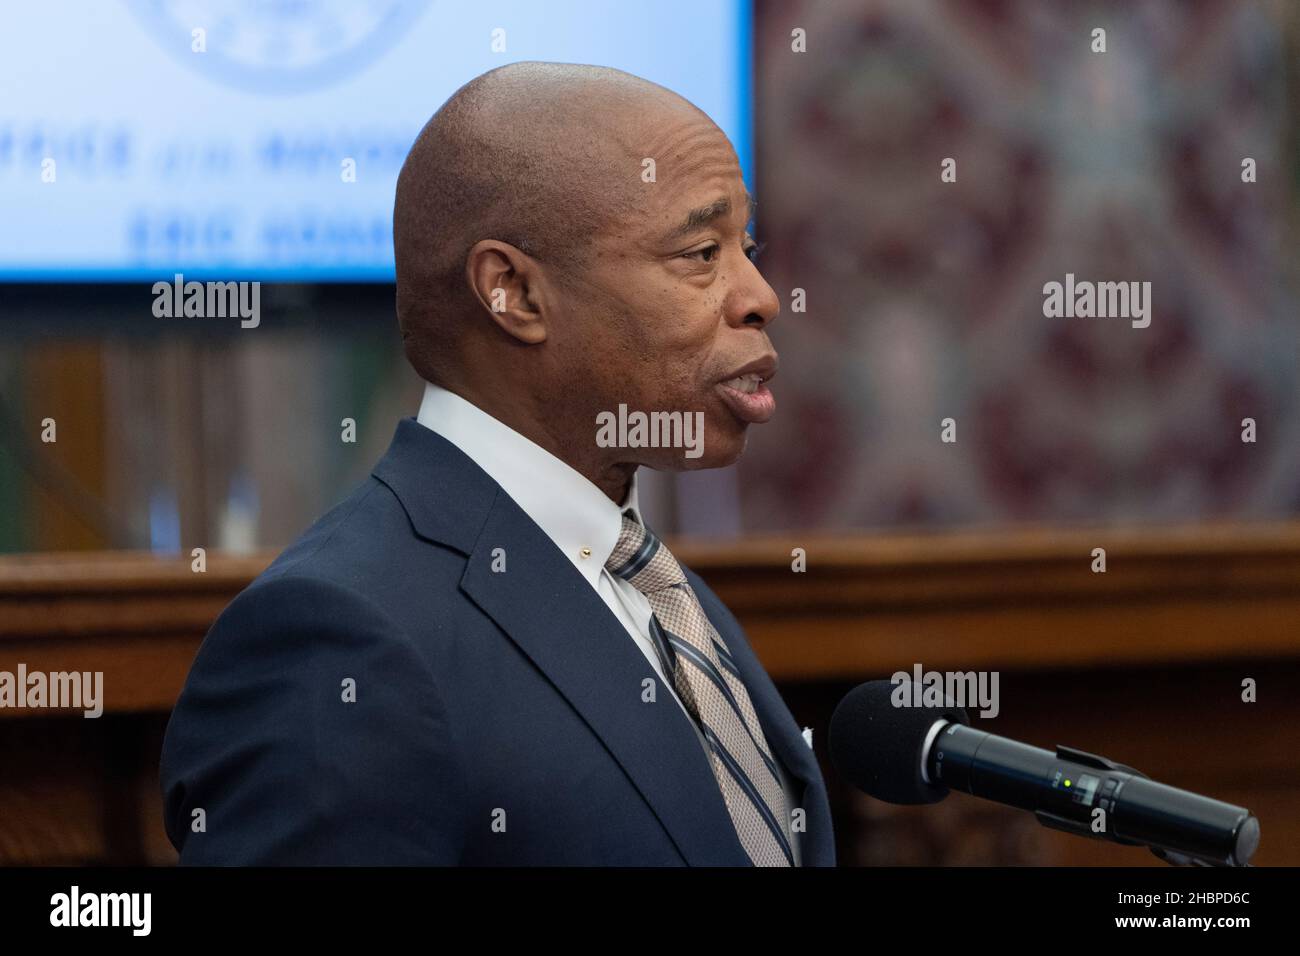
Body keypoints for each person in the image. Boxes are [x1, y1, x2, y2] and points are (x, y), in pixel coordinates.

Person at [160, 61, 835, 866]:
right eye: (700, 253)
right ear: (512, 291)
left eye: (747, 248)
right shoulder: (334, 641)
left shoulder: (657, 589)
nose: (760, 296)